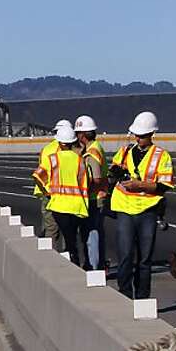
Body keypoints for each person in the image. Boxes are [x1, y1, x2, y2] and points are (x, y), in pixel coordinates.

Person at [110, 111, 174, 299]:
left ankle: (142, 298)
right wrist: (118, 173)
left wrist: (140, 185)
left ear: (152, 134)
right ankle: (125, 296)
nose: (139, 138)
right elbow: (113, 171)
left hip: (147, 210)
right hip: (124, 208)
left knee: (144, 259)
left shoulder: (162, 156)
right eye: (137, 134)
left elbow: (164, 186)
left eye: (143, 135)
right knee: (125, 256)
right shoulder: (125, 151)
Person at [33, 122, 90, 266]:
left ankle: (51, 264)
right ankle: (73, 262)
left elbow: (37, 176)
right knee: (71, 238)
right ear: (72, 142)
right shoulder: (80, 161)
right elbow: (85, 183)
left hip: (58, 204)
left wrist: (47, 191)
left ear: (60, 142)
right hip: (77, 206)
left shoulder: (53, 159)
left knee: (52, 232)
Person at [74, 115, 107, 270]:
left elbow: (97, 178)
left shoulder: (92, 152)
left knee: (92, 234)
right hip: (96, 197)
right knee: (95, 233)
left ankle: (95, 267)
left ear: (82, 134)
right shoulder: (93, 147)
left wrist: (83, 186)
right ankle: (96, 264)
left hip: (95, 198)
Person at [33, 119, 72, 250]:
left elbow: (39, 174)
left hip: (49, 194)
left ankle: (50, 258)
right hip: (68, 196)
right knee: (68, 231)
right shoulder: (73, 152)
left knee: (50, 229)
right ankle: (69, 258)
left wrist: (46, 191)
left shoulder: (47, 149)